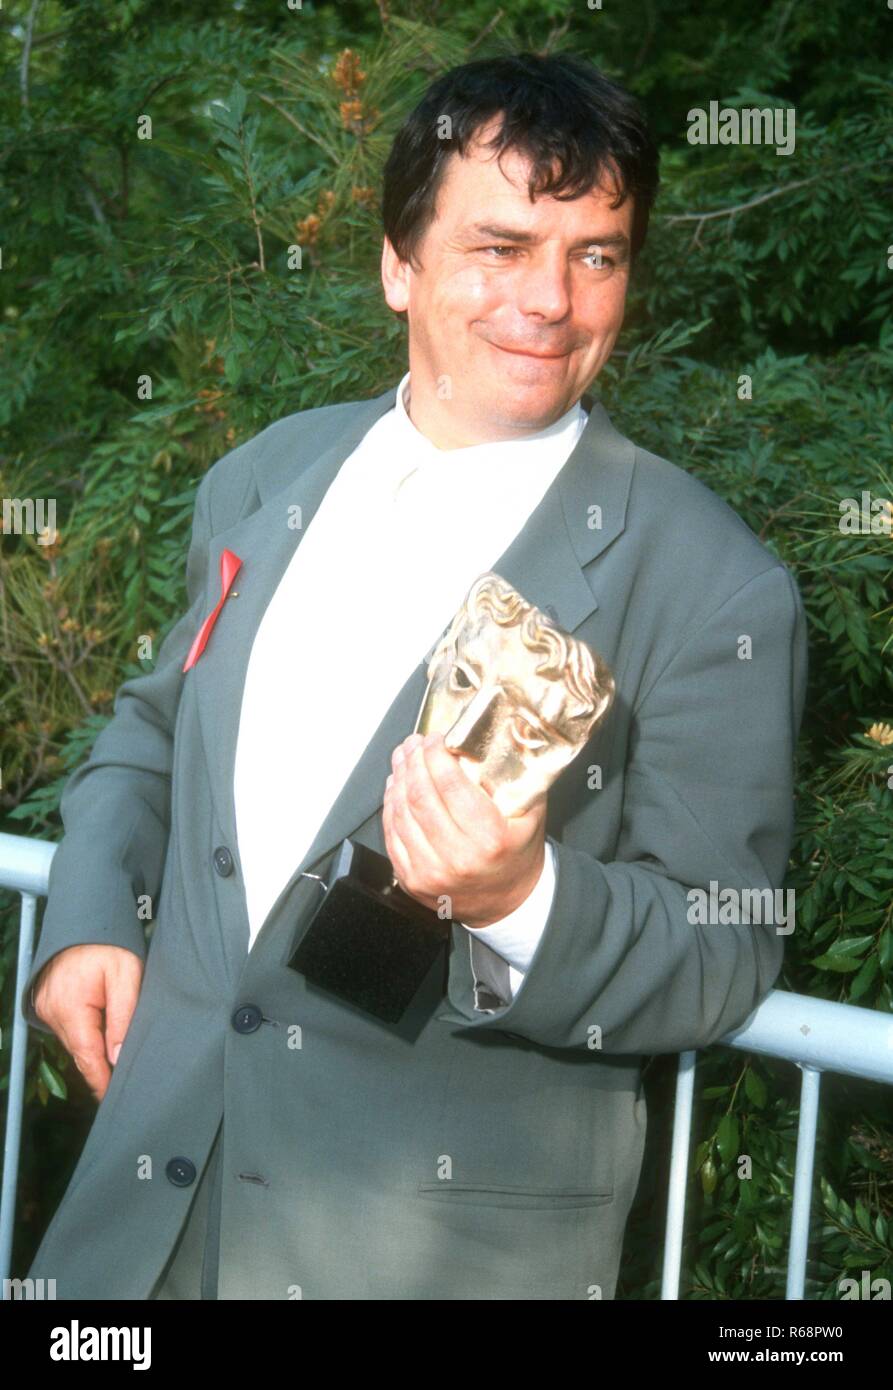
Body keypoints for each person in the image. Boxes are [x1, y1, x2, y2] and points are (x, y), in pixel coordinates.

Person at [23, 50, 807, 1301]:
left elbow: (719, 947)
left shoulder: (714, 585)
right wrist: (89, 918)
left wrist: (517, 897)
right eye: (500, 247)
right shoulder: (263, 477)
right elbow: (154, 733)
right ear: (399, 265)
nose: (548, 300)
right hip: (143, 1223)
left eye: (594, 255)